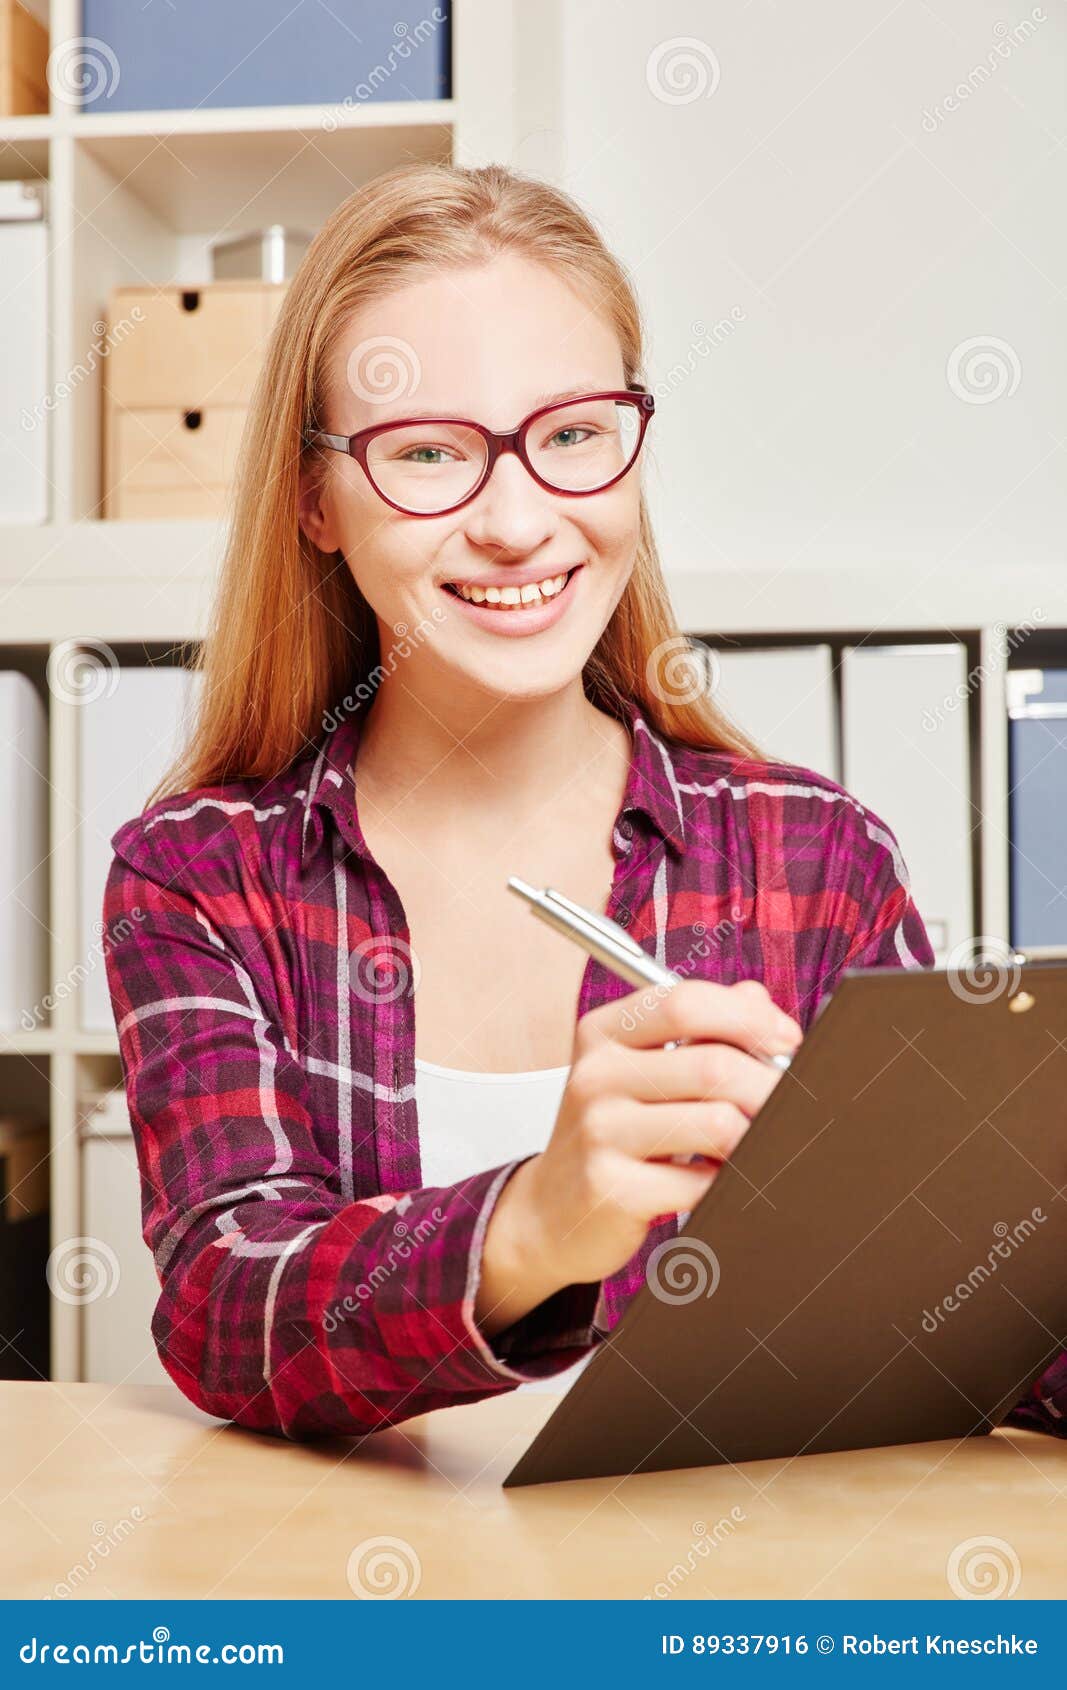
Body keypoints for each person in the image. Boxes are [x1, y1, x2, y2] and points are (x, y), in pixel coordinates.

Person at [102, 161, 1064, 1444]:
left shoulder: (814, 855)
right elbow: (226, 1309)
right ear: (313, 500)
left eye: (568, 436)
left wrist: (986, 1244)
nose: (516, 520)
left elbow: (974, 1347)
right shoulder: (199, 878)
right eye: (428, 452)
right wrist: (534, 1223)